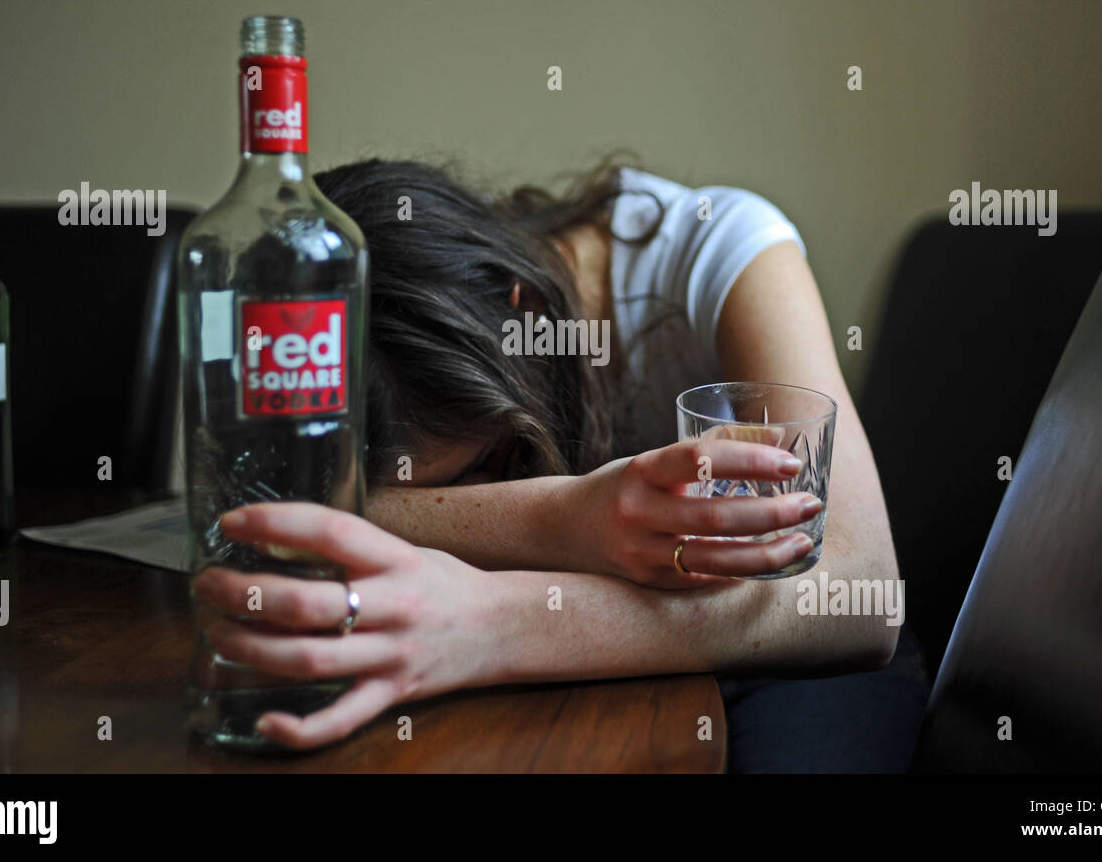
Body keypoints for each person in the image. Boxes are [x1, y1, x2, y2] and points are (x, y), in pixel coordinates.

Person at [193, 151, 929, 769]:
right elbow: (244, 519)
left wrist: (491, 620)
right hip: (594, 681)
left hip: (793, 662)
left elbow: (864, 596)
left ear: (527, 325)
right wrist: (560, 519)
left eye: (489, 469)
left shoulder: (721, 248)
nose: (488, 495)